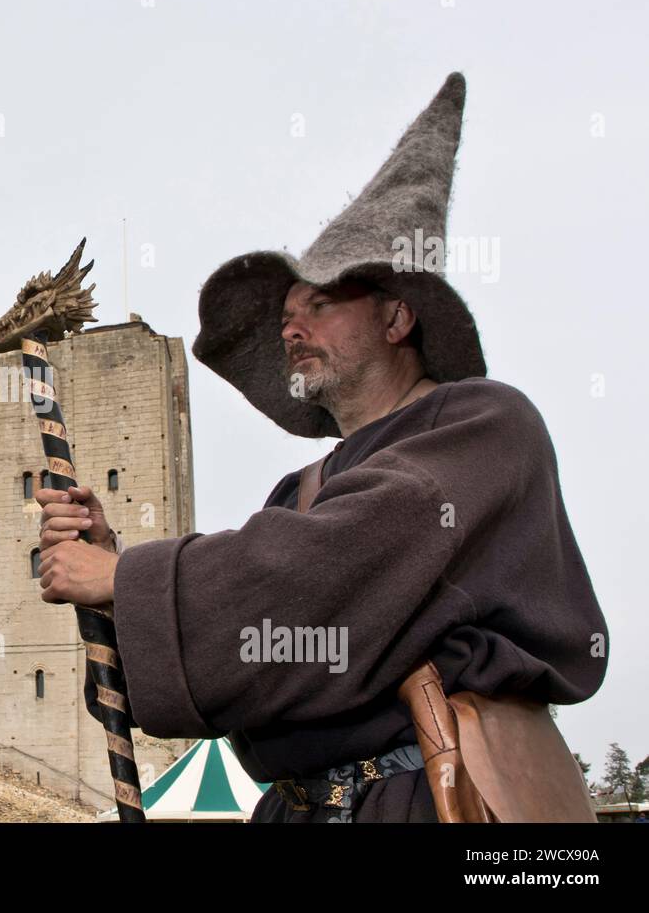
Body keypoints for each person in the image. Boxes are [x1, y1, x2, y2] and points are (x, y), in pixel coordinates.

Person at [36, 73, 608, 822]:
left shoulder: (486, 427)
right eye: (287, 313)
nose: (290, 326)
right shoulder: (300, 492)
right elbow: (246, 656)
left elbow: (325, 567)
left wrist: (123, 576)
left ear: (399, 318)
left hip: (425, 799)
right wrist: (115, 586)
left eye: (320, 303)